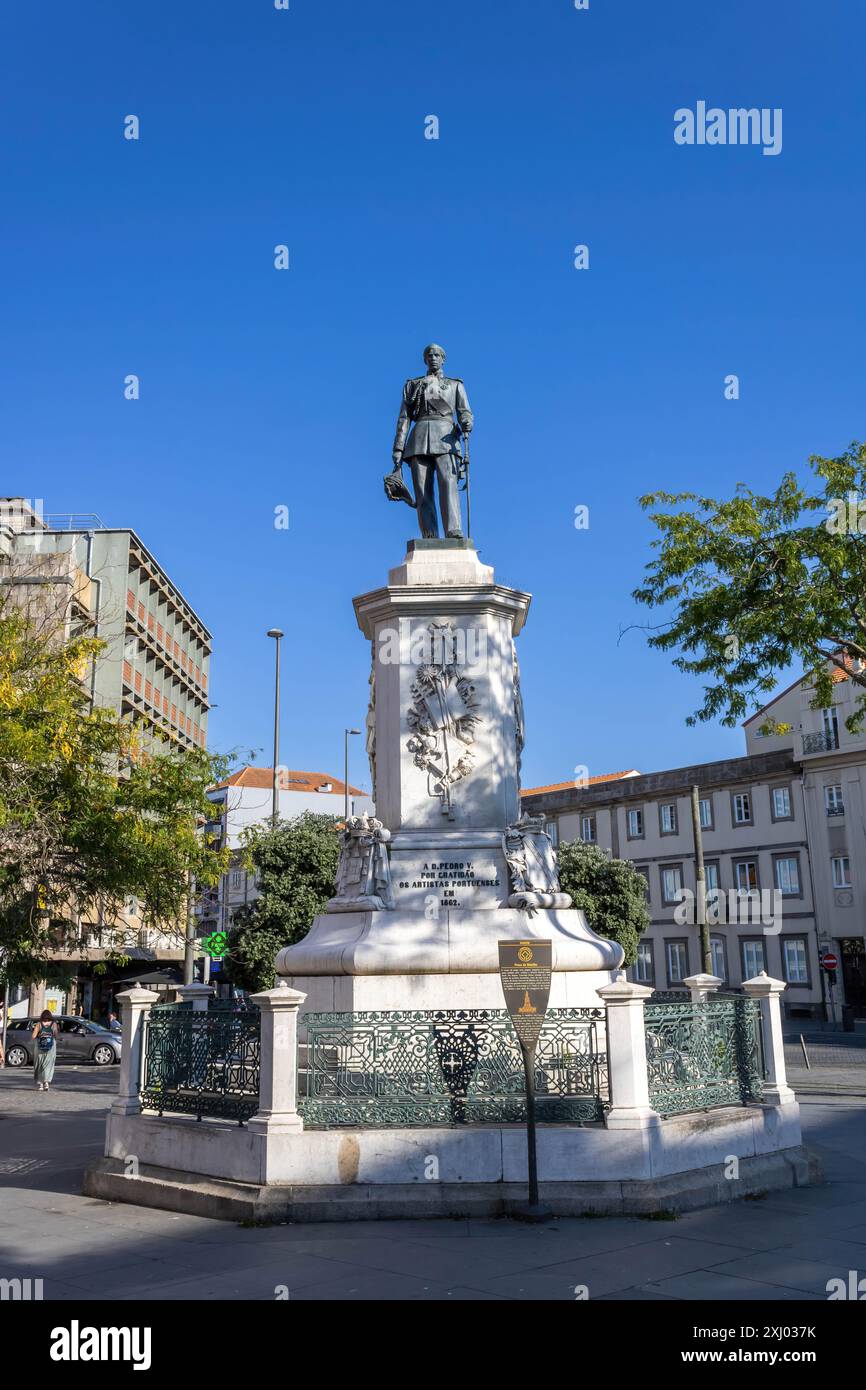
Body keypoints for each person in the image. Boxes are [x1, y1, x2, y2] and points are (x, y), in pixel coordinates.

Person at [391, 344, 473, 539]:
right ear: (425, 359)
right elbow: (404, 419)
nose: (433, 357)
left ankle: (453, 530)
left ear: (443, 359)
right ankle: (430, 534)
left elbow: (464, 411)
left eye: (437, 355)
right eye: (430, 355)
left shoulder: (455, 385)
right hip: (418, 440)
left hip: (446, 439)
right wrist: (398, 448)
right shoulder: (413, 385)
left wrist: (467, 421)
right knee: (422, 491)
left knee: (448, 485)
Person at [31, 1011, 59, 1092]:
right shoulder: (53, 1024)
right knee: (49, 1065)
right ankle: (46, 1083)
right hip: (51, 1048)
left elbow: (33, 1036)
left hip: (39, 1047)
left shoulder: (39, 1024)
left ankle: (40, 1084)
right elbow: (56, 1035)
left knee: (39, 1064)